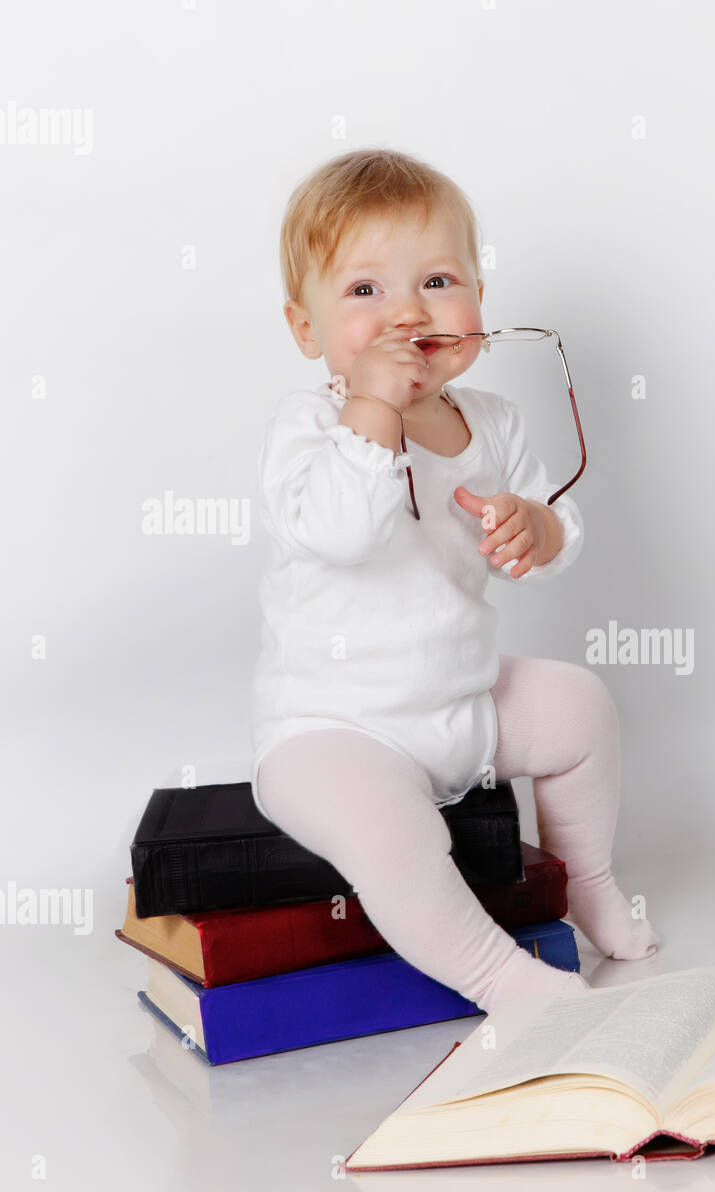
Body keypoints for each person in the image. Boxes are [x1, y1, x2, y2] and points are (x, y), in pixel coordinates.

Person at [250, 148, 659, 1012]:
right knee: (389, 833)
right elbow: (340, 532)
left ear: (478, 298)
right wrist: (373, 408)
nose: (407, 312)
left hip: (461, 705)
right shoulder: (312, 426)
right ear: (306, 330)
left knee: (580, 706)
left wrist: (537, 528)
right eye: (366, 290)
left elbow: (557, 523)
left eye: (437, 281)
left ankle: (585, 879)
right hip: (333, 731)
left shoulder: (493, 422)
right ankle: (500, 978)